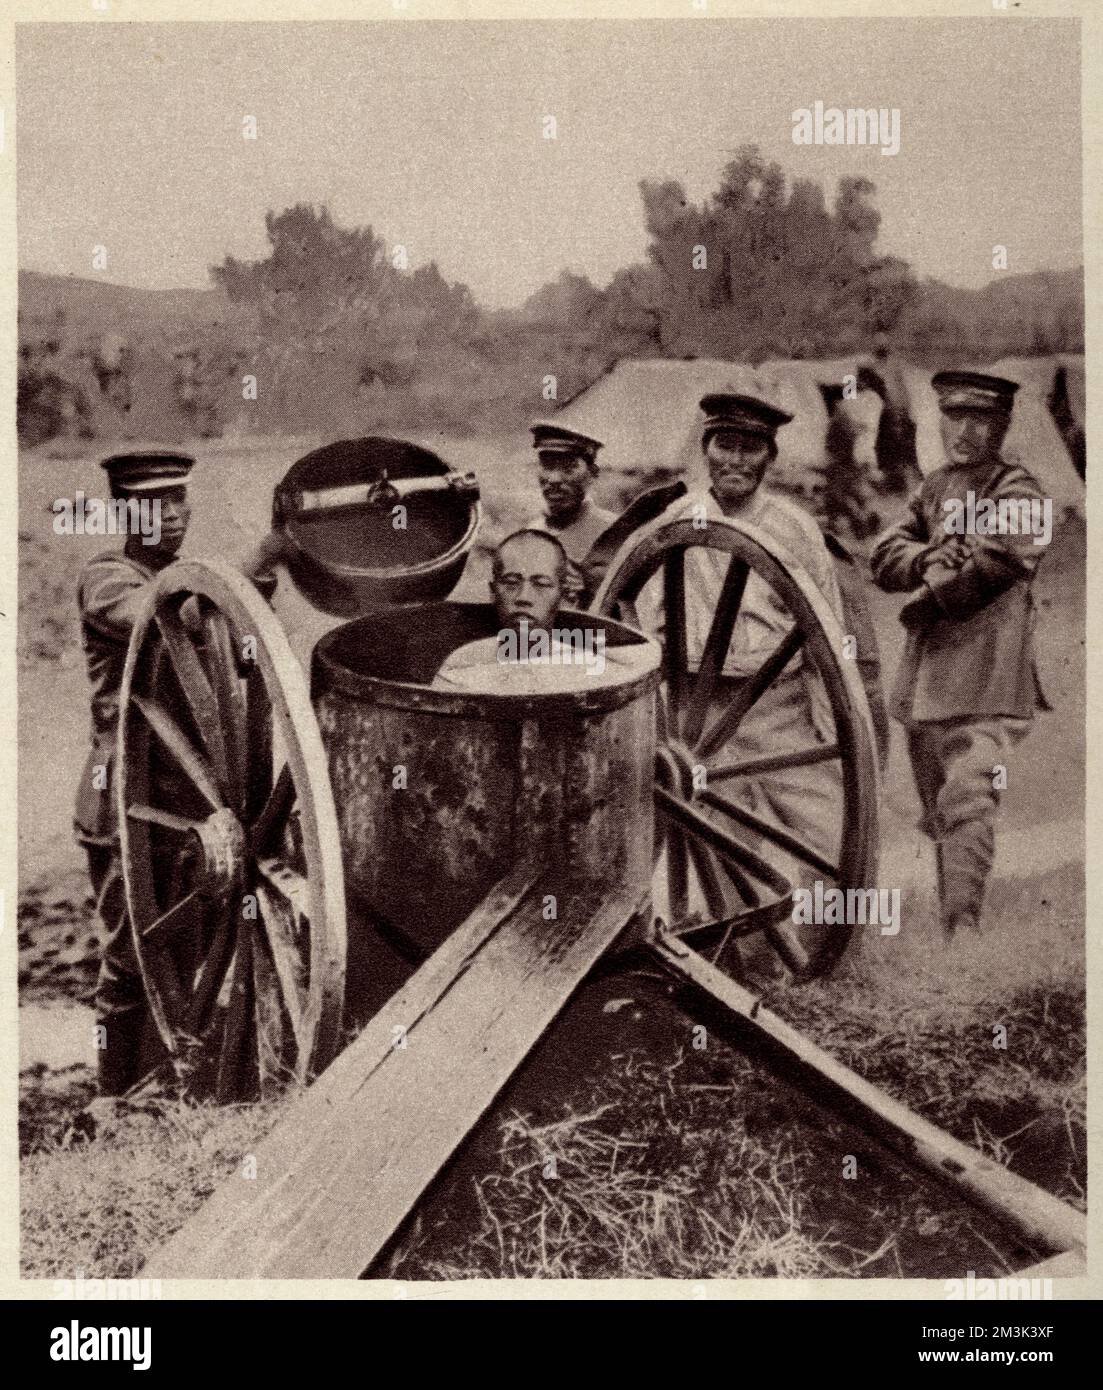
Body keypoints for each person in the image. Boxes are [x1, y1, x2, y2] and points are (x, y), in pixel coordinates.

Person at [75, 449, 287, 1095]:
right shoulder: (109, 578)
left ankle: (172, 1082)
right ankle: (114, 1097)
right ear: (122, 510)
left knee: (188, 951)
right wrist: (264, 551)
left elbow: (237, 650)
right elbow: (163, 617)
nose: (169, 518)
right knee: (133, 956)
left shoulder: (188, 576)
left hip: (193, 805)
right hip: (125, 803)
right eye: (151, 505)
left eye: (178, 502)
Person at [638, 378, 848, 897]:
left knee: (828, 833)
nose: (734, 459)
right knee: (724, 841)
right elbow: (643, 625)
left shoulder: (795, 529)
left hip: (781, 705)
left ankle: (833, 951)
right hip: (703, 712)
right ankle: (740, 956)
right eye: (723, 445)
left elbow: (829, 630)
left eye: (749, 447)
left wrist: (827, 714)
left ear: (769, 458)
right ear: (705, 450)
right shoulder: (676, 523)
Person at [870, 370, 1050, 937]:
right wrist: (929, 559)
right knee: (937, 808)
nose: (965, 431)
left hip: (990, 673)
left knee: (971, 794)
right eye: (955, 418)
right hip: (927, 682)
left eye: (980, 419)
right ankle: (955, 924)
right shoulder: (933, 487)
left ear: (1001, 425)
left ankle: (964, 929)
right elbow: (885, 555)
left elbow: (999, 563)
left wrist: (936, 578)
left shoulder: (1019, 489)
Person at [433, 529, 650, 693]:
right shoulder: (460, 667)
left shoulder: (590, 670)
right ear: (492, 592)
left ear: (563, 595)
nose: (523, 597)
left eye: (541, 584)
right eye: (511, 582)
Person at [525, 420, 617, 603]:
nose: (554, 479)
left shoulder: (615, 532)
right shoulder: (531, 533)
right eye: (547, 466)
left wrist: (591, 591)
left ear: (593, 473)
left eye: (569, 468)